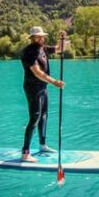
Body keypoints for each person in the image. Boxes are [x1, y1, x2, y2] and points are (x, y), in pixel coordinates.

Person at [20, 26, 66, 162]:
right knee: (35, 117)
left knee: (44, 115)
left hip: (42, 87)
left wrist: (62, 38)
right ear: (33, 38)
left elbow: (60, 49)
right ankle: (25, 153)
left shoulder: (43, 48)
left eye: (42, 36)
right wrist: (54, 82)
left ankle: (42, 145)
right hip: (32, 88)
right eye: (39, 36)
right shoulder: (28, 52)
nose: (42, 38)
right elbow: (37, 72)